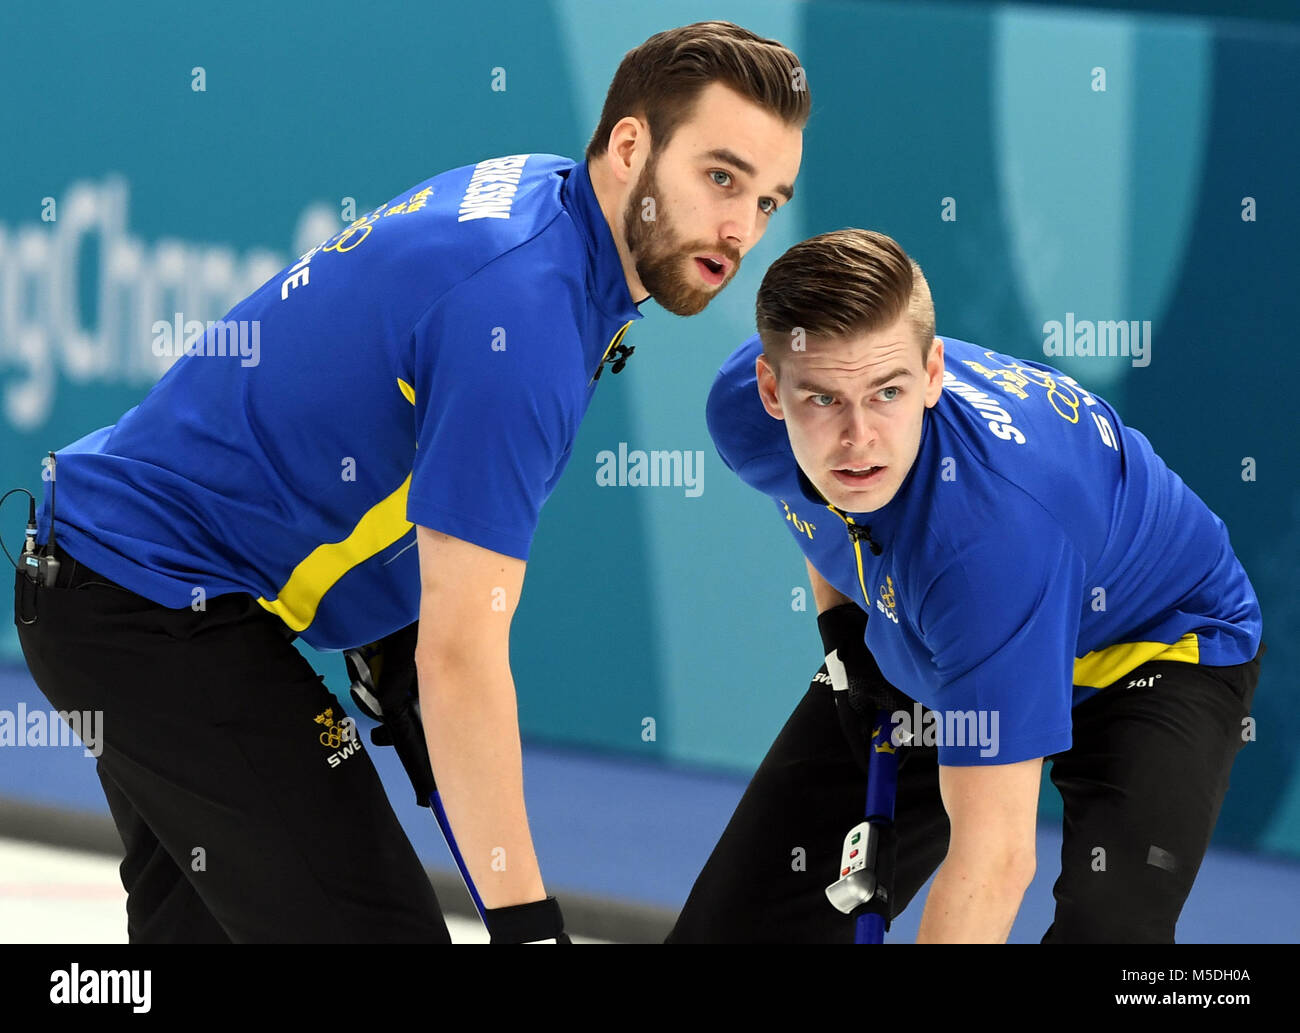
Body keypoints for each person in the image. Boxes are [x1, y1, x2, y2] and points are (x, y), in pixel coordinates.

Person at [10, 20, 807, 943]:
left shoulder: (549, 203)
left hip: (124, 578)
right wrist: (527, 923)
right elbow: (463, 657)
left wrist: (389, 630)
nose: (740, 228)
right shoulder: (528, 316)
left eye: (767, 200)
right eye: (720, 177)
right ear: (631, 145)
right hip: (151, 605)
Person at [668, 229, 1263, 943]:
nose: (858, 438)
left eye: (887, 392)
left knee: (1109, 932)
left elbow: (994, 861)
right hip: (950, 634)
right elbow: (819, 518)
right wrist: (846, 643)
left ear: (932, 373)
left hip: (1154, 642)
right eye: (823, 399)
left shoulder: (984, 543)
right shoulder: (744, 413)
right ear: (772, 389)